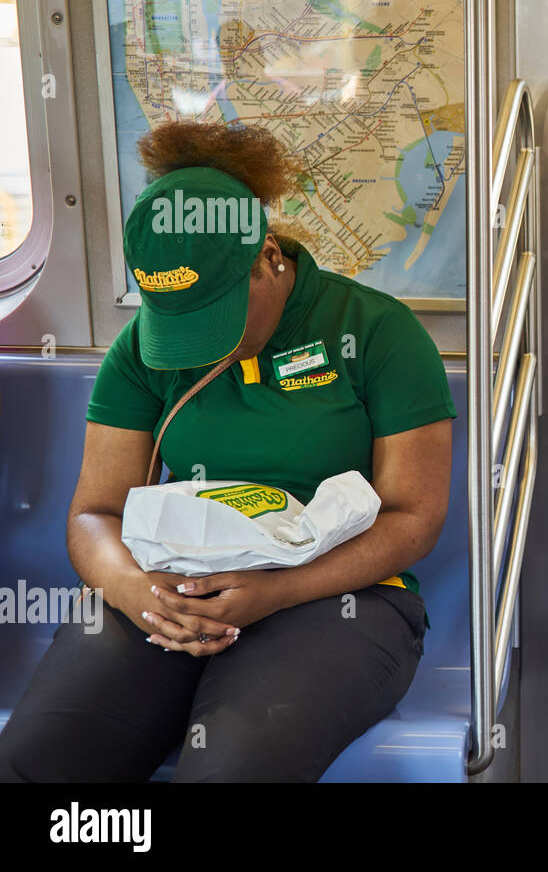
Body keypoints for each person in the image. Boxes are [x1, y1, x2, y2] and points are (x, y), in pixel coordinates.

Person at [0, 120, 456, 781]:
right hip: (172, 588)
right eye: (177, 324)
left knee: (229, 769)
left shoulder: (377, 333)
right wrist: (139, 592)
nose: (198, 348)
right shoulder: (140, 352)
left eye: (213, 317)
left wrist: (276, 590)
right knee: (32, 763)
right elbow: (93, 513)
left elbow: (414, 516)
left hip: (340, 596)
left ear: (269, 255)